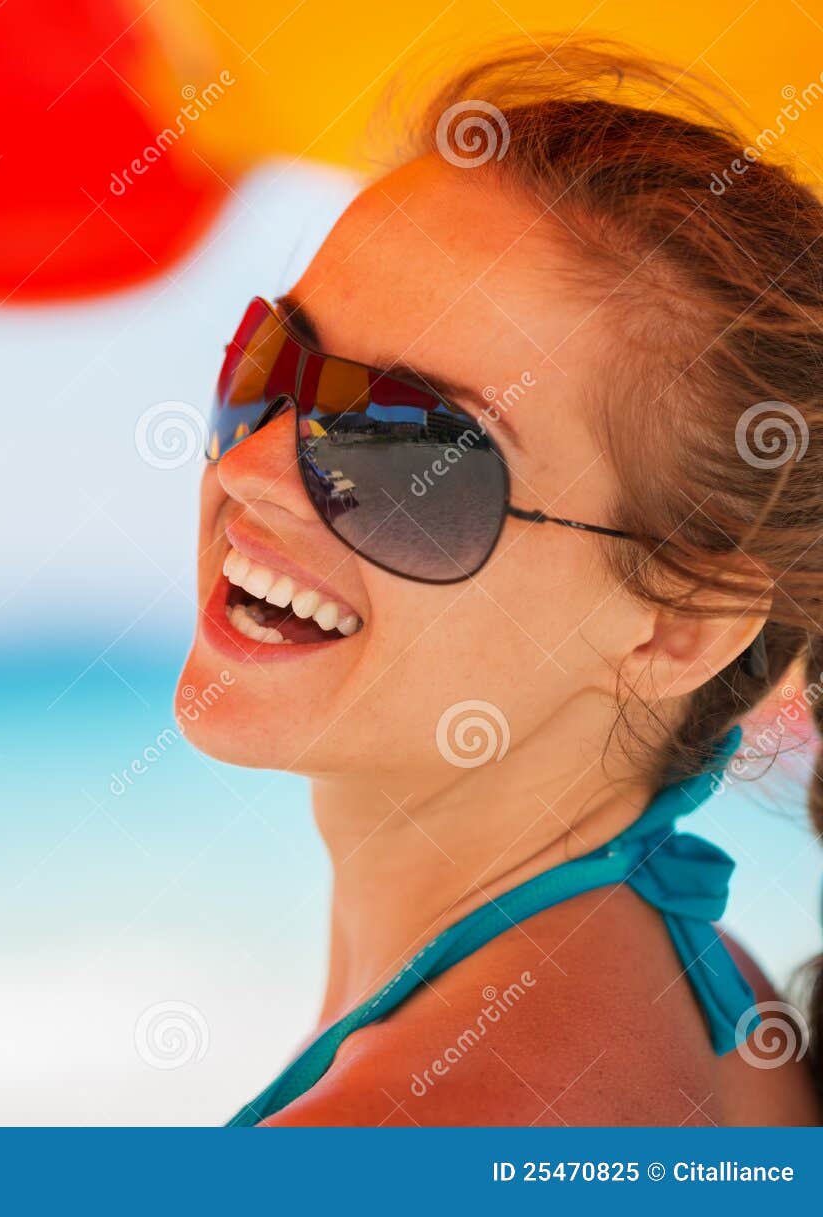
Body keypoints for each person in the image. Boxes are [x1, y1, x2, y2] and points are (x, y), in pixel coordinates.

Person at [178, 40, 822, 1125]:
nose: (247, 469)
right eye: (270, 367)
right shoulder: (690, 978)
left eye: (406, 449)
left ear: (680, 623)